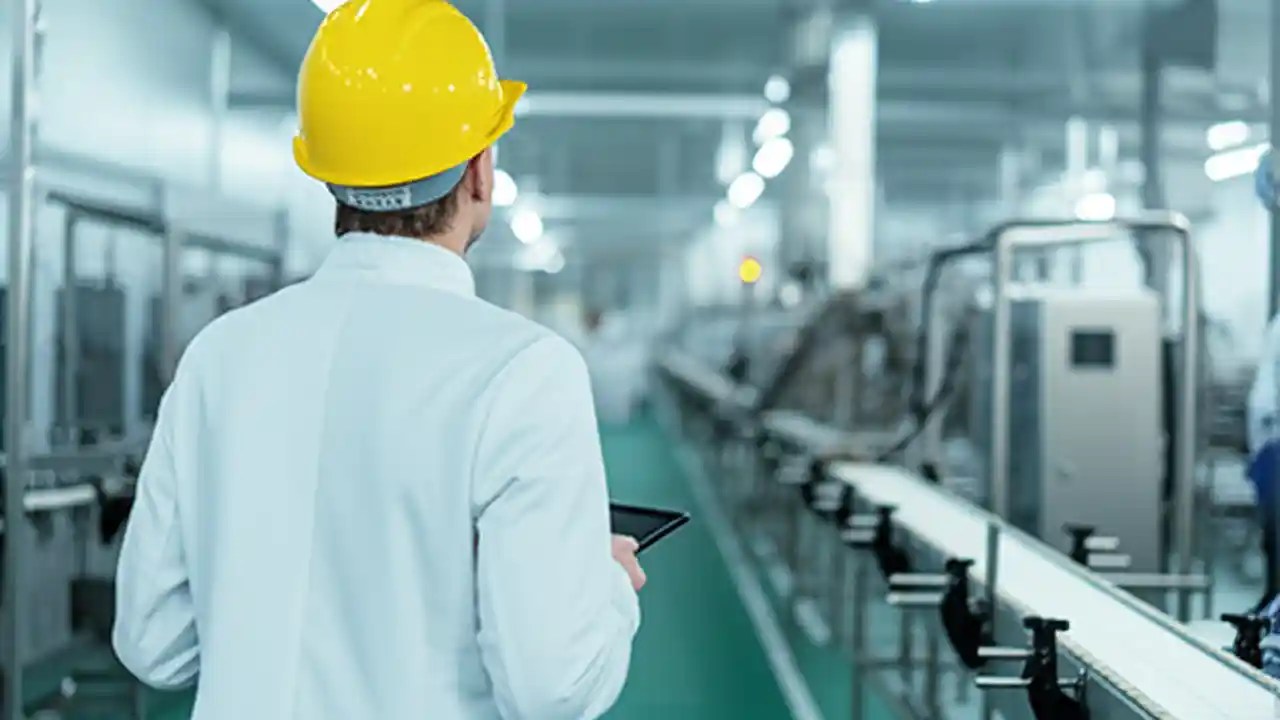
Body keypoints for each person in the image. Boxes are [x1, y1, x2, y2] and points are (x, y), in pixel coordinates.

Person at [111, 2, 644, 718]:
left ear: (326, 172)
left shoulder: (220, 356)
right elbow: (549, 685)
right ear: (481, 172)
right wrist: (601, 586)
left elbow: (152, 642)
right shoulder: (524, 372)